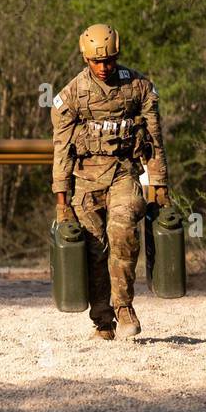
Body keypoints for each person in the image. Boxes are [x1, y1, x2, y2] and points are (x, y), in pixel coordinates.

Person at [51, 24, 169, 340]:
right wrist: (61, 200)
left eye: (110, 61)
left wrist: (159, 185)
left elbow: (155, 139)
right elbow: (61, 147)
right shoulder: (71, 95)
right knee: (94, 250)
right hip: (84, 181)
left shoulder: (140, 87)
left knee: (124, 228)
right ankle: (103, 322)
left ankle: (124, 306)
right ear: (86, 59)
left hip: (122, 173)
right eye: (96, 62)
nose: (104, 68)